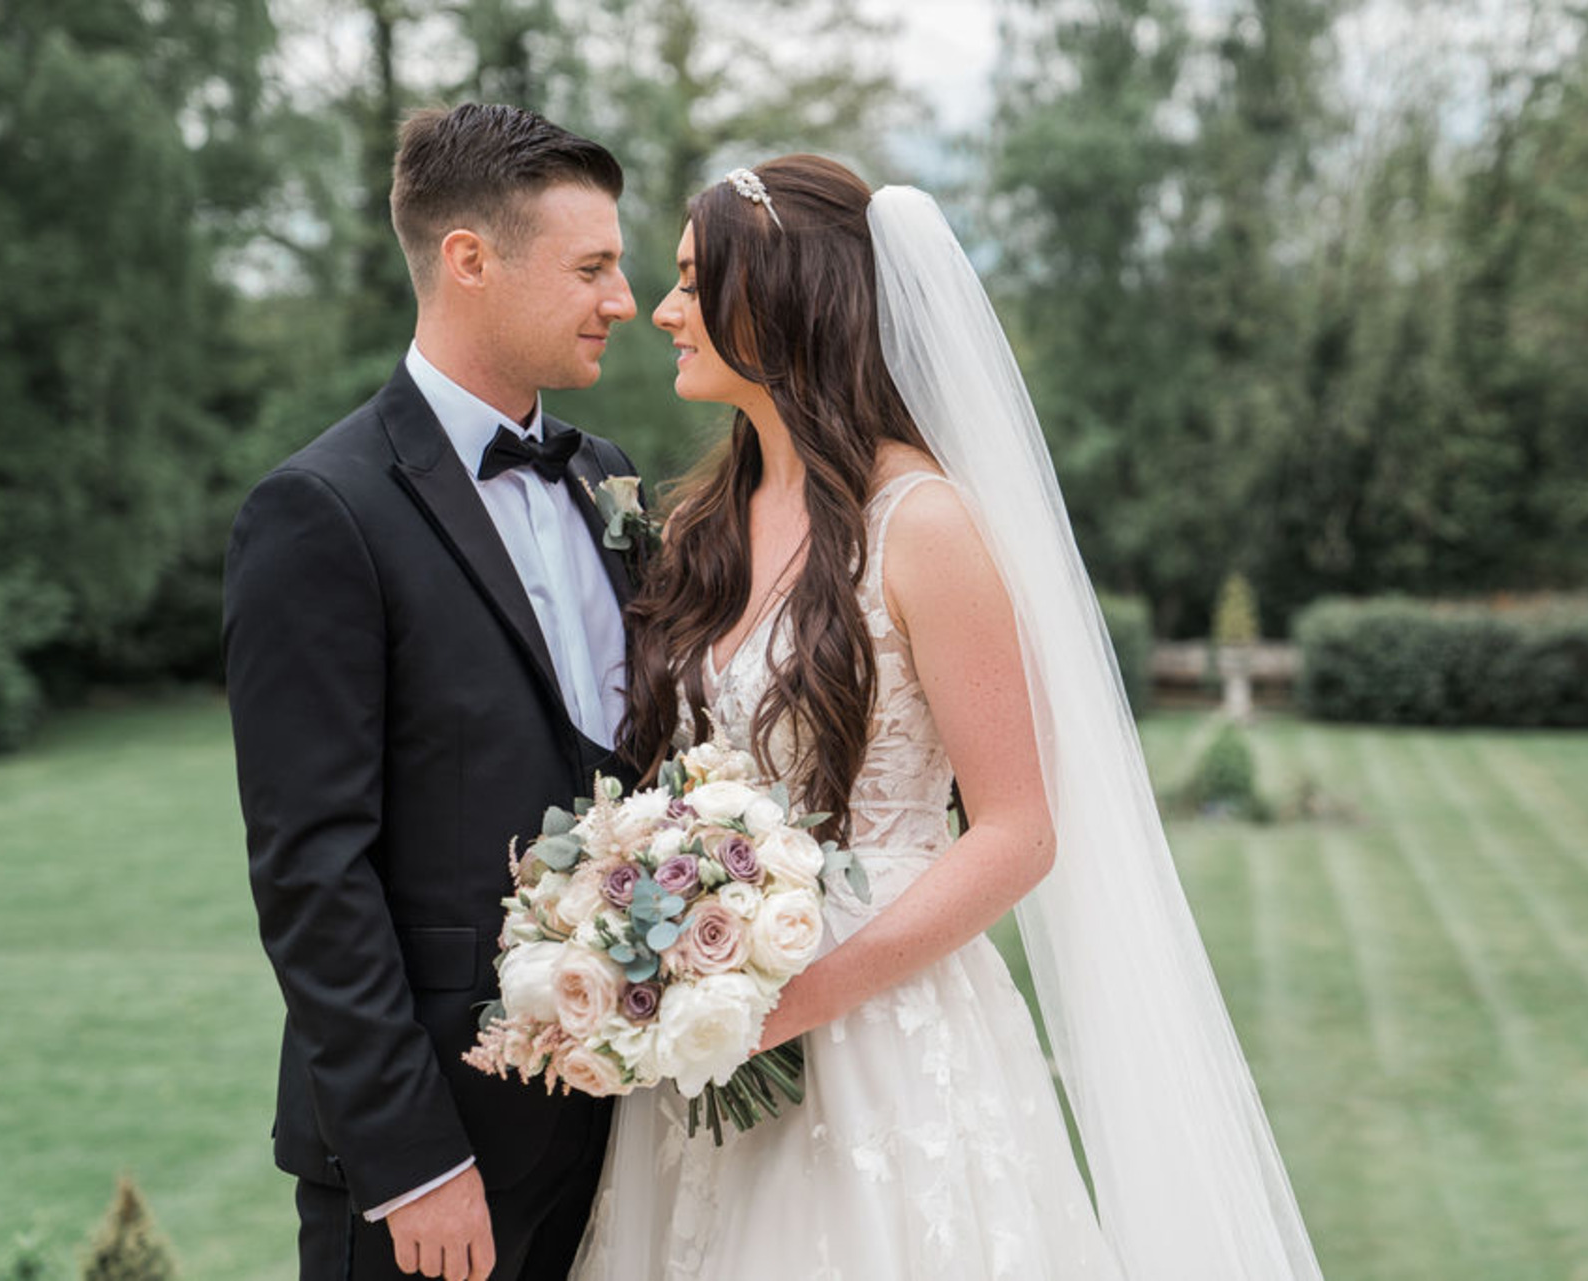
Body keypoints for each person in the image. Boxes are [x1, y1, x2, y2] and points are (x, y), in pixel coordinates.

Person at [570, 157, 1322, 1279]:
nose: (664, 312)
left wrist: (789, 1004)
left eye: (691, 280)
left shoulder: (923, 525)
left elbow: (1018, 831)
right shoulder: (703, 525)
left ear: (774, 294)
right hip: (703, 1048)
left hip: (886, 1043)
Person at [223, 103, 643, 1281]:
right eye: (594, 267)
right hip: (435, 1165)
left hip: (621, 1131)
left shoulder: (609, 480)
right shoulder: (318, 513)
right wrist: (414, 1162)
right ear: (469, 260)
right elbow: (311, 873)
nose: (623, 299)